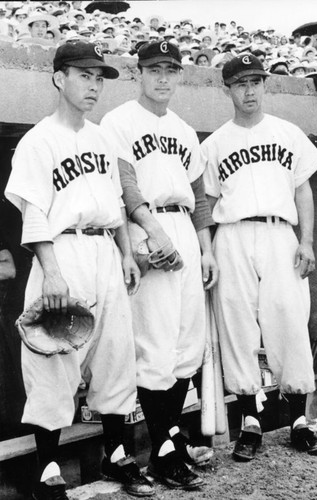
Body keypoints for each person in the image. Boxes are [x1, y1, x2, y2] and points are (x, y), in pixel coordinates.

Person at [5, 41, 154, 500]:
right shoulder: (37, 140)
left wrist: (127, 253)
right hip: (62, 252)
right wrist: (50, 272)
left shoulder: (102, 139)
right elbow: (33, 214)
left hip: (106, 250)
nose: (94, 85)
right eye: (84, 75)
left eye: (99, 77)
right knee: (54, 361)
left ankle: (116, 454)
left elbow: (115, 205)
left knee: (114, 357)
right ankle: (48, 468)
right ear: (59, 78)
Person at [100, 41, 218, 491]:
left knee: (186, 345)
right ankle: (164, 453)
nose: (163, 78)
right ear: (139, 74)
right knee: (154, 344)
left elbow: (200, 196)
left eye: (170, 69)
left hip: (184, 226)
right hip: (147, 227)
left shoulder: (186, 129)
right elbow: (126, 186)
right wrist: (153, 233)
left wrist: (205, 249)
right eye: (154, 70)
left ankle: (170, 445)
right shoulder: (119, 121)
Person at [201, 53, 317, 463]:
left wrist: (306, 241)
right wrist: (208, 250)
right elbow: (208, 203)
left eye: (255, 81)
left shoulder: (288, 132)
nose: (249, 90)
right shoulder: (215, 142)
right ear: (227, 89)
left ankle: (298, 422)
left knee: (289, 317)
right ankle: (251, 425)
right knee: (237, 324)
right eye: (241, 83)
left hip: (278, 233)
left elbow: (303, 191)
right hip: (233, 234)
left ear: (264, 85)